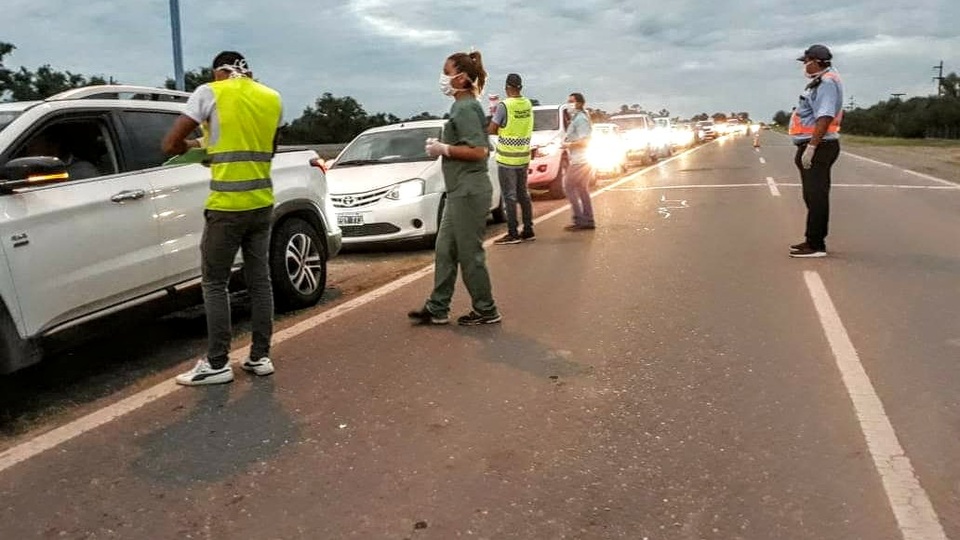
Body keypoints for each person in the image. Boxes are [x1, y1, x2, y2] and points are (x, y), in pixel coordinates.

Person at [161, 51, 283, 385]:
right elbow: (266, 148)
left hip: (227, 206)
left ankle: (217, 363)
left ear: (220, 71)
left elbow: (170, 145)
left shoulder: (209, 92)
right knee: (260, 281)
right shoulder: (271, 97)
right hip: (262, 202)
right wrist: (214, 148)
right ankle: (260, 357)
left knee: (215, 282)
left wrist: (191, 148)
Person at [407, 50, 502, 326]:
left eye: (446, 72)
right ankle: (437, 307)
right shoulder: (460, 107)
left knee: (469, 253)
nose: (443, 78)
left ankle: (487, 309)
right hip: (459, 189)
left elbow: (480, 150)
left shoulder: (467, 107)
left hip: (470, 190)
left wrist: (444, 149)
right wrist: (444, 150)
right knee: (445, 248)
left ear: (461, 79)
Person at [789, 44, 843, 258]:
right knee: (812, 196)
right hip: (816, 145)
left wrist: (811, 147)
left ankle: (816, 244)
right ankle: (812, 239)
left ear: (817, 61)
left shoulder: (827, 82)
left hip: (820, 146)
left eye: (807, 61)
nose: (805, 65)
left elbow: (825, 116)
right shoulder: (821, 81)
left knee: (817, 196)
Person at [488, 73, 535, 244]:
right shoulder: (528, 104)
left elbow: (492, 129)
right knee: (524, 194)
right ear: (520, 87)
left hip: (507, 158)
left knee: (509, 196)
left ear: (507, 88)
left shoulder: (504, 106)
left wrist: (494, 123)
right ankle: (528, 229)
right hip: (523, 156)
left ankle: (513, 233)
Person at [561, 92, 595, 230]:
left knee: (568, 187)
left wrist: (569, 145)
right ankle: (587, 219)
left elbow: (586, 141)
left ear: (579, 103)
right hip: (582, 159)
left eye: (571, 101)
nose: (569, 104)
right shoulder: (576, 118)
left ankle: (580, 219)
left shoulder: (580, 119)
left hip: (580, 160)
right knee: (582, 189)